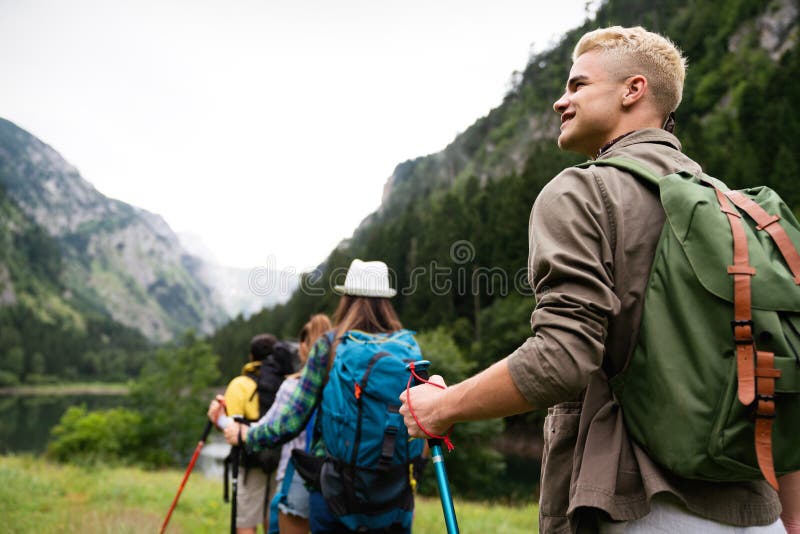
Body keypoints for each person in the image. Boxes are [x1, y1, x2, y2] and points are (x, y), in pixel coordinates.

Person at [399, 25, 797, 533]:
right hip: (759, 513)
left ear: (633, 90)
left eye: (577, 85)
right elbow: (779, 366)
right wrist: (792, 515)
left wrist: (442, 407)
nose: (559, 103)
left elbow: (563, 356)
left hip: (641, 509)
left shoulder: (581, 193)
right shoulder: (742, 210)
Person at [210, 259, 422, 533]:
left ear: (346, 298)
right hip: (395, 492)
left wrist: (245, 435)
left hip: (336, 493)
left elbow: (291, 421)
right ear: (386, 302)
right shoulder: (408, 348)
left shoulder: (330, 345)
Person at [264, 313, 332, 534]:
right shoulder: (336, 385)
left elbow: (268, 427)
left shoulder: (292, 388)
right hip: (329, 483)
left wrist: (231, 426)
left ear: (304, 346)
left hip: (291, 480)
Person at [211, 333, 281, 534]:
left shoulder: (240, 384)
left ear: (251, 356)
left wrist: (218, 419)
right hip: (280, 460)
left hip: (250, 462)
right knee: (273, 518)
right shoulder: (286, 382)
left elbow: (232, 428)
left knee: (246, 521)